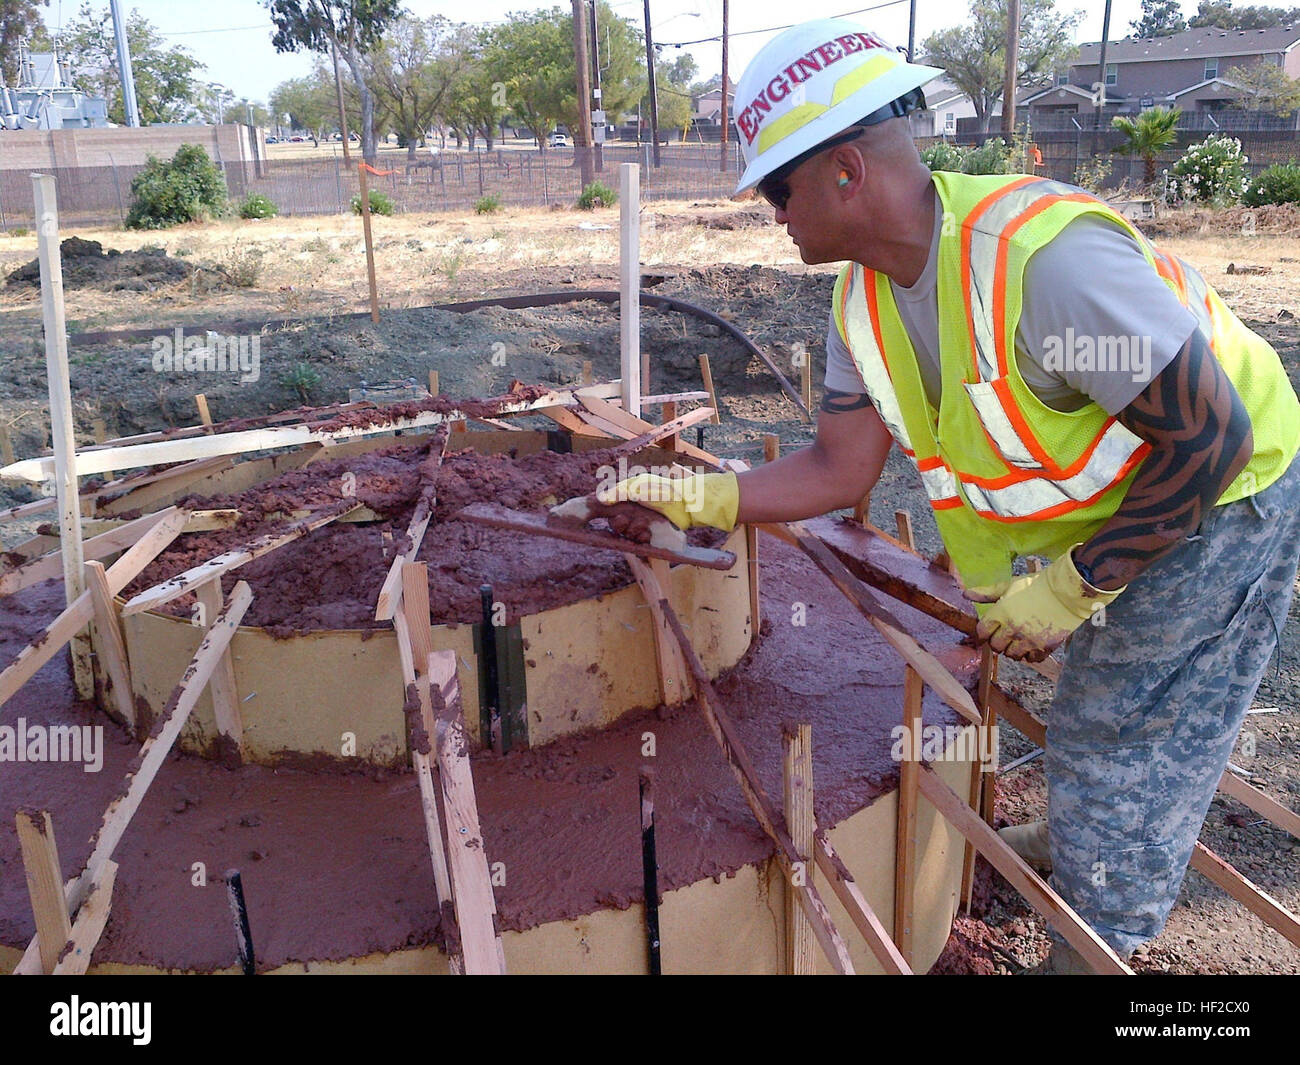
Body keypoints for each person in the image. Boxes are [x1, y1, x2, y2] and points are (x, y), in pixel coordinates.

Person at [561, 18, 1300, 972]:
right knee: (1099, 715)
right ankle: (1093, 844)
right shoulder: (863, 303)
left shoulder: (1040, 270)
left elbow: (1208, 438)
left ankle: (1099, 931)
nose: (772, 213)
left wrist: (1077, 584)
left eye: (779, 188)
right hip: (1140, 499)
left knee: (1125, 725)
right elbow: (838, 467)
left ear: (844, 172)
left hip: (1226, 497)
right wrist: (706, 498)